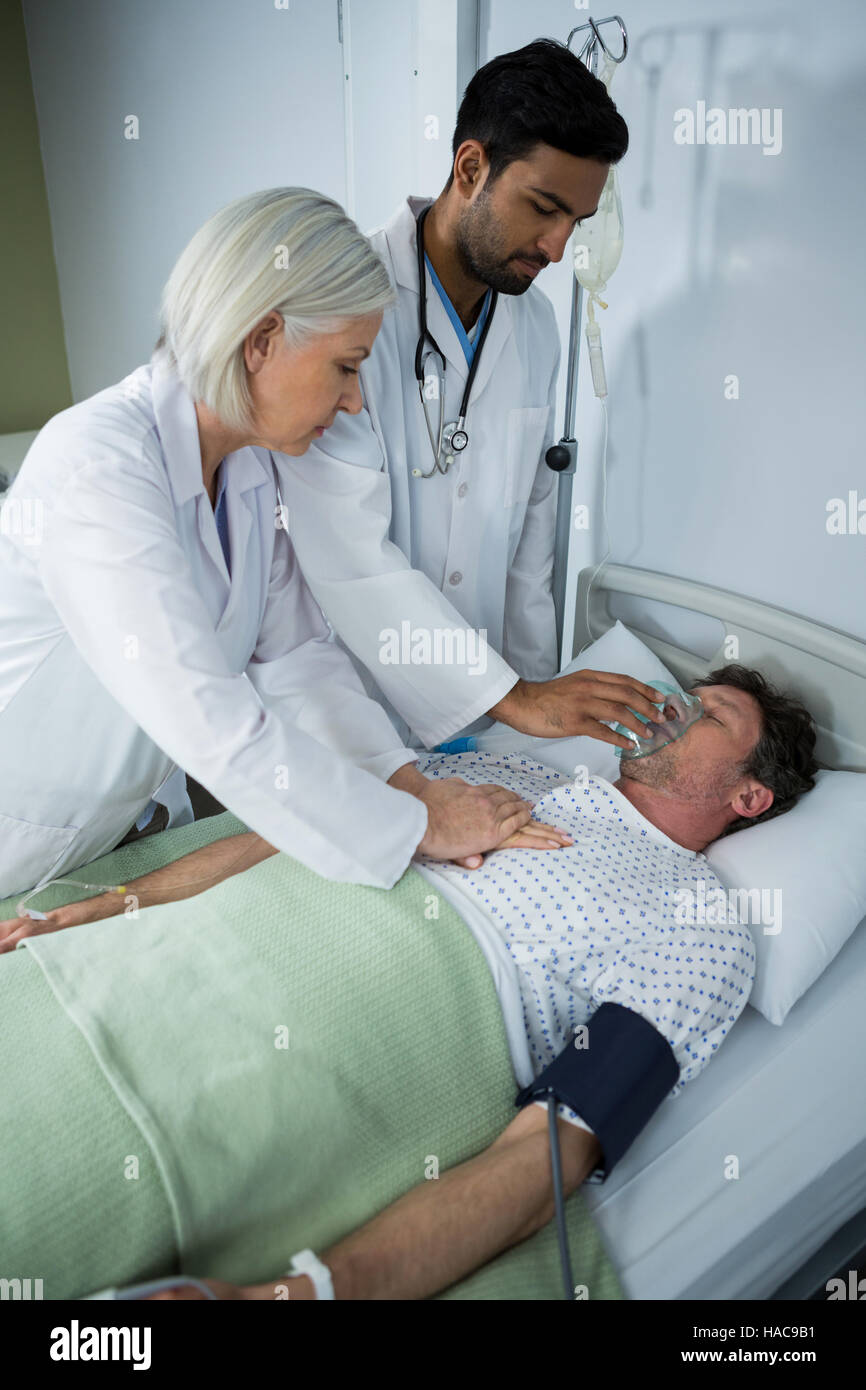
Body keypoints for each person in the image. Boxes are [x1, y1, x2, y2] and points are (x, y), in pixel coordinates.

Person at [1, 666, 818, 1298]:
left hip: (372, 1011)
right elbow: (300, 827)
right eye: (680, 691)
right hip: (228, 928)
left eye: (709, 714)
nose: (670, 704)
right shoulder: (510, 772)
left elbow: (551, 1154)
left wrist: (303, 1292)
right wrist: (113, 906)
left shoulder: (699, 927)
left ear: (750, 795)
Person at [0, 187, 588, 902]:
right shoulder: (100, 470)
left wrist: (408, 785)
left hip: (113, 824)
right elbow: (209, 719)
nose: (355, 402)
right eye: (347, 367)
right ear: (262, 340)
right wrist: (413, 828)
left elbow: (296, 658)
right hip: (18, 825)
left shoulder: (251, 467)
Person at [274, 38, 652, 753]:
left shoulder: (536, 327)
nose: (558, 248)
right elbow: (345, 550)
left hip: (484, 721)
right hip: (343, 707)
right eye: (543, 207)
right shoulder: (348, 306)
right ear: (471, 167)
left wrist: (537, 720)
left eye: (577, 221)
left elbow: (530, 549)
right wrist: (511, 699)